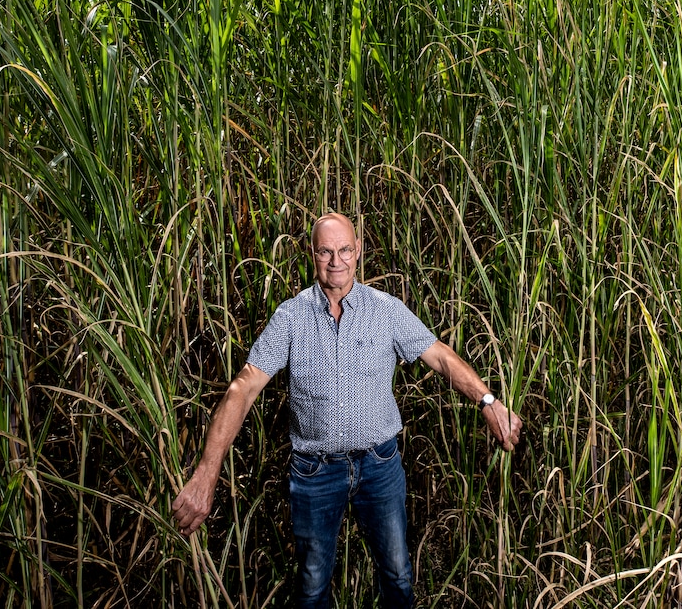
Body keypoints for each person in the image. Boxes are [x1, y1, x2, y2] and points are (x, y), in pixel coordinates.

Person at [171, 212, 522, 608]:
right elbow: (243, 388)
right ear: (312, 255)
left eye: (344, 250)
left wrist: (489, 402)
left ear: (358, 252)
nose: (335, 261)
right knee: (312, 585)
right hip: (315, 472)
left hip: (380, 466)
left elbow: (440, 356)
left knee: (397, 575)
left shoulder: (386, 310)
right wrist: (207, 472)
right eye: (325, 252)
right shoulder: (291, 317)